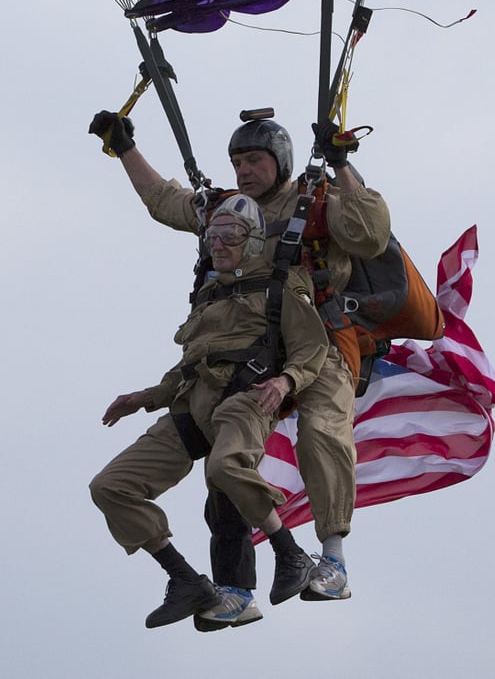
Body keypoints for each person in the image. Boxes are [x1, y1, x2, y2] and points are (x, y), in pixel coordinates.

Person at [89, 108, 391, 624]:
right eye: (237, 161)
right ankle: (235, 586)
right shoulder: (226, 212)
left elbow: (371, 236)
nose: (244, 170)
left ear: (280, 160)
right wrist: (125, 148)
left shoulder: (318, 200)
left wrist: (341, 165)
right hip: (243, 348)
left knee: (322, 432)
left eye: (254, 159)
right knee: (223, 464)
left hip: (313, 340)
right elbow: (163, 200)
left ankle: (333, 561)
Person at [89, 195, 328, 629]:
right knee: (110, 486)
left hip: (247, 399)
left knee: (224, 468)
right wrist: (146, 397)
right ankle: (184, 580)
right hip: (192, 403)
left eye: (231, 235)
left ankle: (290, 555)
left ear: (253, 240)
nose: (219, 244)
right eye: (213, 235)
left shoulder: (280, 284)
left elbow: (312, 348)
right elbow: (193, 360)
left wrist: (286, 381)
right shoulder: (210, 291)